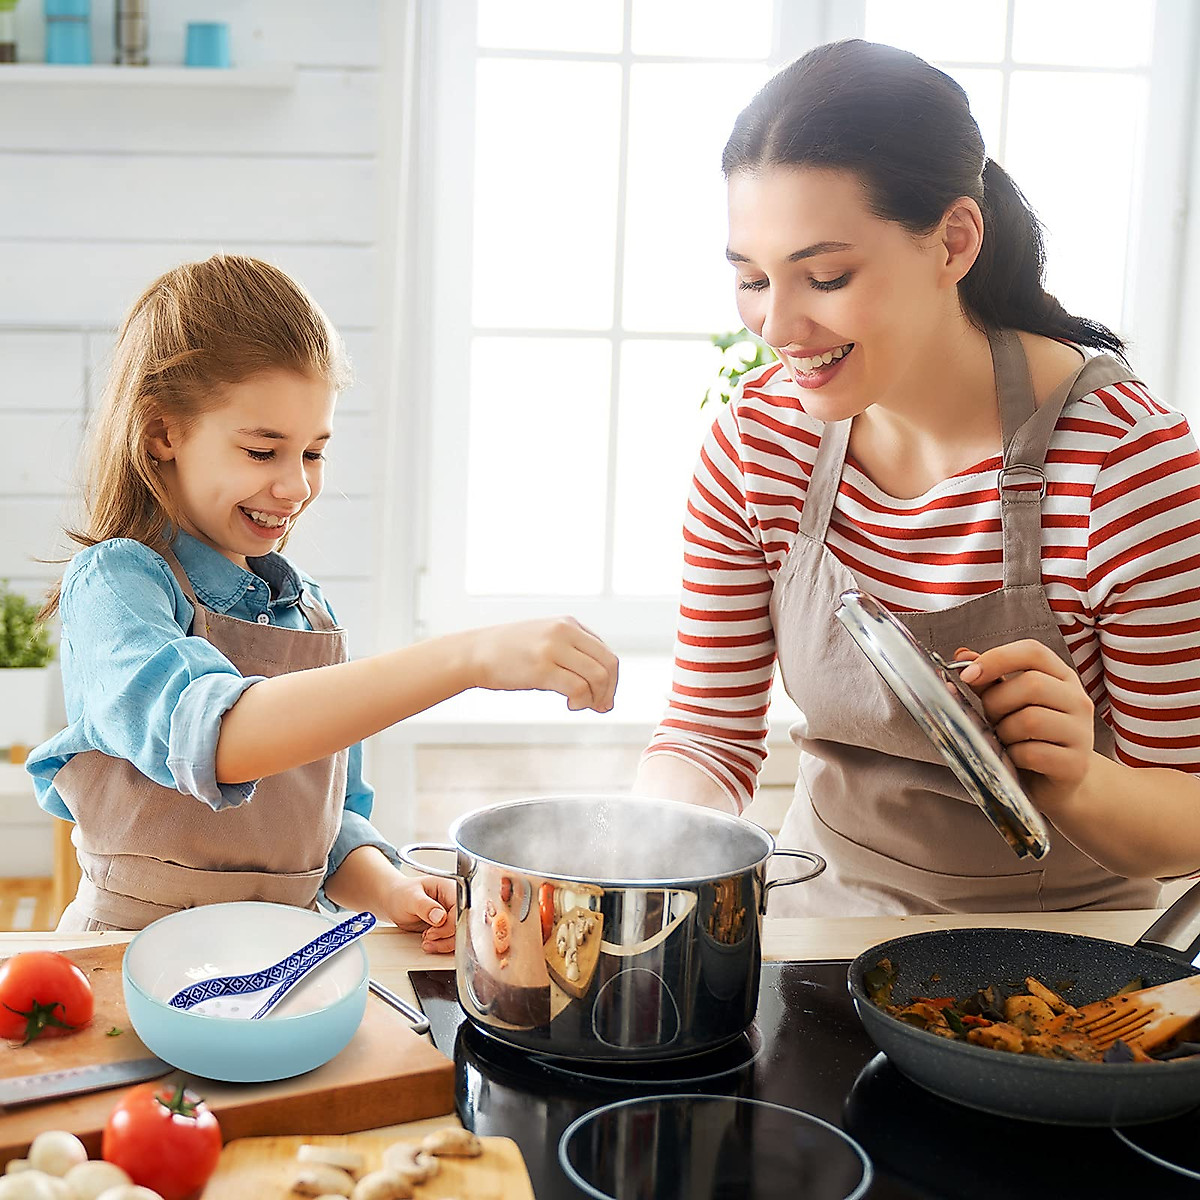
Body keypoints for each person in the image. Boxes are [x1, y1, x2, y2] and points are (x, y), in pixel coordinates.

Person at [634, 40, 1200, 916]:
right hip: (818, 921)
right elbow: (708, 736)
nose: (777, 327)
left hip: (1071, 951)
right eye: (751, 280)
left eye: (824, 276)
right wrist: (630, 860)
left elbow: (1188, 816)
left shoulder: (1126, 464)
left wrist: (1077, 776)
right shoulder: (757, 442)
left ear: (955, 240)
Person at [29, 254, 619, 940]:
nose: (296, 487)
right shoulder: (117, 586)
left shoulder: (308, 614)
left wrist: (390, 889)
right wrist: (471, 658)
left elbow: (322, 823)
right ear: (163, 433)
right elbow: (219, 739)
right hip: (127, 961)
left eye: (313, 452)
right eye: (262, 451)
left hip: (287, 960)